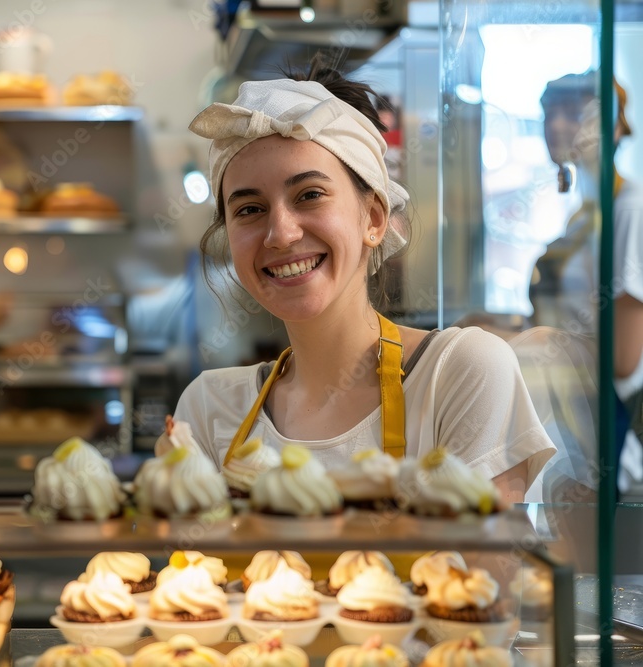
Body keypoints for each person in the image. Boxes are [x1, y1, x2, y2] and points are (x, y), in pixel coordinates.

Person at [165, 62, 555, 502]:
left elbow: (488, 568)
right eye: (249, 209)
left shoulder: (458, 373)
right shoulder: (208, 407)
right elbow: (193, 571)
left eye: (309, 195)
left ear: (373, 218)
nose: (280, 233)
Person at [530, 72, 643, 480]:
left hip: (614, 452)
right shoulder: (585, 215)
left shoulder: (629, 210)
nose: (557, 125)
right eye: (549, 112)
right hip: (572, 440)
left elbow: (624, 361)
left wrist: (538, 345)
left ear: (611, 125)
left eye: (573, 112)